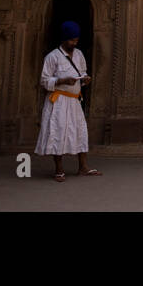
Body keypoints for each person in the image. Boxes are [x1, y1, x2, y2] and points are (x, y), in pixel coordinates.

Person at [36, 21, 100, 182]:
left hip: (74, 101)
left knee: (80, 131)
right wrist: (62, 80)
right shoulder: (52, 57)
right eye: (71, 40)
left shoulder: (78, 54)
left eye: (76, 40)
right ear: (64, 39)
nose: (74, 43)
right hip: (58, 101)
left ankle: (83, 167)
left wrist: (85, 80)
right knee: (57, 132)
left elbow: (82, 72)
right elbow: (44, 81)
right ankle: (59, 169)